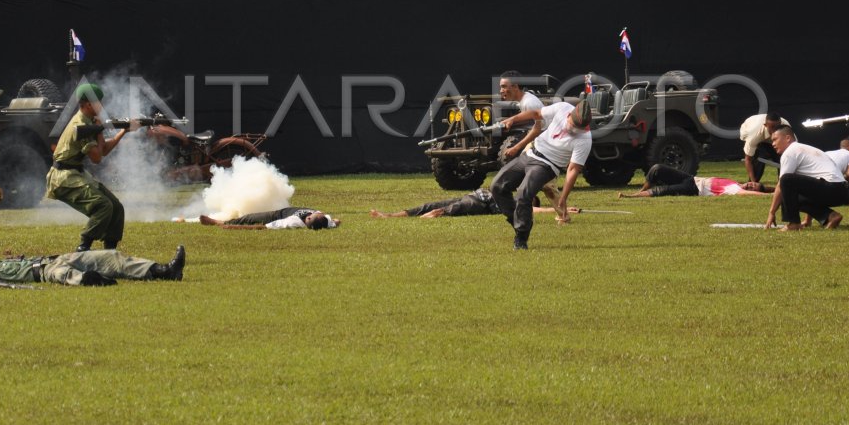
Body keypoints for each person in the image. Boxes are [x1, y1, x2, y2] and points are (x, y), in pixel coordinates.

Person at [490, 99, 593, 249]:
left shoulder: (585, 139)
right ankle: (518, 219)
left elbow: (573, 169)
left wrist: (563, 197)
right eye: (573, 124)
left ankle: (521, 238)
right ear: (569, 115)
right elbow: (536, 113)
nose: (575, 130)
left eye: (579, 128)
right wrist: (513, 118)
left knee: (523, 194)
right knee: (497, 186)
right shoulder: (562, 108)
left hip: (547, 165)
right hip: (530, 153)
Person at [45, 83, 136, 252]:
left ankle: (110, 252)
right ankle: (83, 246)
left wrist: (123, 131)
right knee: (103, 205)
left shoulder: (89, 122)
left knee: (116, 207)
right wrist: (100, 131)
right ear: (88, 104)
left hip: (75, 172)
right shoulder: (80, 126)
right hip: (63, 177)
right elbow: (97, 158)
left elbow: (104, 151)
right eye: (98, 102)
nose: (102, 106)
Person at [0, 246, 185, 288]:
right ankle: (92, 281)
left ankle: (163, 271)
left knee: (110, 255)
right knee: (63, 276)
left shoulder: (0, 261)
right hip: (46, 272)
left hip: (58, 257)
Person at [764, 127, 849, 230]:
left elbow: (781, 185)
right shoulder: (803, 149)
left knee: (786, 180)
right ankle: (830, 216)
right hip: (841, 191)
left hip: (831, 187)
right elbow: (810, 183)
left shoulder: (790, 152)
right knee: (791, 195)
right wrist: (808, 220)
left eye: (775, 139)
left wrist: (771, 213)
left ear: (788, 138)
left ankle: (794, 223)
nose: (773, 144)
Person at [370, 188, 575, 218]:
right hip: (472, 196)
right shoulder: (510, 194)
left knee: (446, 210)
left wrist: (560, 209)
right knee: (428, 204)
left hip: (479, 203)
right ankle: (390, 216)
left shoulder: (519, 205)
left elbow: (535, 210)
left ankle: (431, 216)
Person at [620, 164, 772, 198]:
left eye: (753, 187)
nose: (751, 184)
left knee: (664, 191)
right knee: (657, 169)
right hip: (691, 179)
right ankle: (640, 191)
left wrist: (770, 196)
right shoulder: (734, 182)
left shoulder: (735, 190)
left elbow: (745, 194)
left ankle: (632, 197)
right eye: (753, 183)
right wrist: (775, 188)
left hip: (695, 189)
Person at [738, 112, 789, 183]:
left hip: (767, 135)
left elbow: (793, 151)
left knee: (784, 157)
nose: (775, 130)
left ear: (781, 124)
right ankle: (753, 181)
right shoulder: (754, 135)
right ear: (765, 125)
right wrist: (753, 182)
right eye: (772, 127)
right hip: (750, 130)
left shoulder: (786, 127)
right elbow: (748, 159)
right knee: (760, 157)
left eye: (777, 127)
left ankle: (783, 182)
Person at [199, 208, 339, 230]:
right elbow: (336, 221)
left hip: (275, 215)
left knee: (249, 218)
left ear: (308, 219)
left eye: (311, 217)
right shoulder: (326, 221)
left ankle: (219, 222)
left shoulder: (292, 223)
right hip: (284, 209)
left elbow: (262, 227)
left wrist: (234, 227)